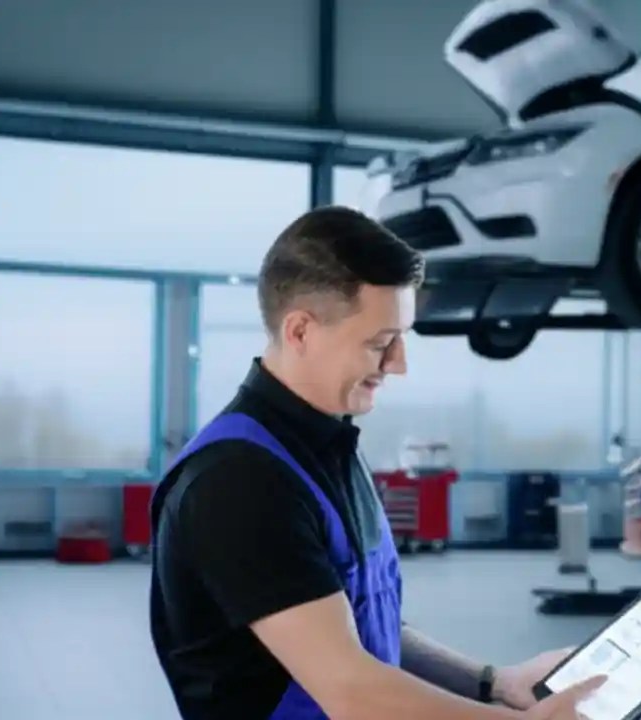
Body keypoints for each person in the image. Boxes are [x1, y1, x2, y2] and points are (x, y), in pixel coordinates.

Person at [148, 206, 603, 720]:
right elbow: (351, 690)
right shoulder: (237, 482)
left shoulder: (328, 448)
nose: (399, 364)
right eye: (381, 343)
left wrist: (495, 684)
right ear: (300, 332)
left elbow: (363, 627)